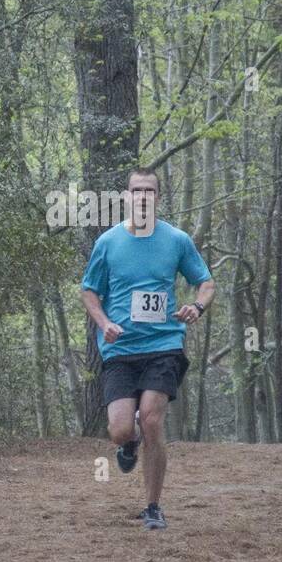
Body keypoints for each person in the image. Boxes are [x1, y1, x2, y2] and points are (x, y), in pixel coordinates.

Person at [81, 166, 214, 529]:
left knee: (153, 418)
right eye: (136, 190)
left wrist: (196, 307)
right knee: (121, 429)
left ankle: (153, 506)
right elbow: (89, 291)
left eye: (149, 191)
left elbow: (205, 283)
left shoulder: (176, 240)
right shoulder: (108, 243)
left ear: (157, 197)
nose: (142, 197)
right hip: (121, 349)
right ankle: (130, 442)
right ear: (126, 197)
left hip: (164, 344)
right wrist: (104, 322)